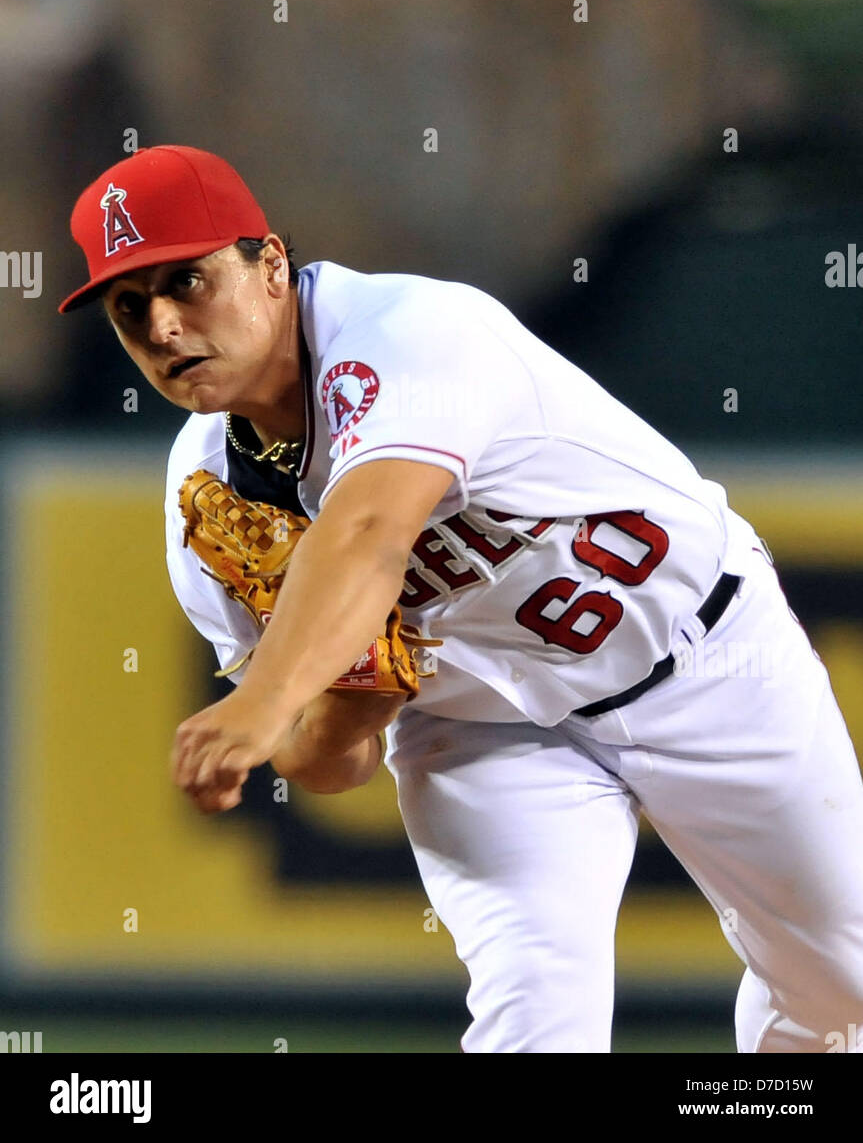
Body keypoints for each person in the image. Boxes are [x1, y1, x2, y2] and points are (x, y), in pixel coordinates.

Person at [61, 144, 863, 1054]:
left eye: (187, 282)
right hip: (482, 729)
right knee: (533, 1012)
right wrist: (342, 712)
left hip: (701, 657)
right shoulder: (203, 498)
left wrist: (265, 696)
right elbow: (320, 766)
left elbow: (367, 533)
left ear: (271, 265)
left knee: (841, 995)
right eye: (131, 308)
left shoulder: (409, 329)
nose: (163, 325)